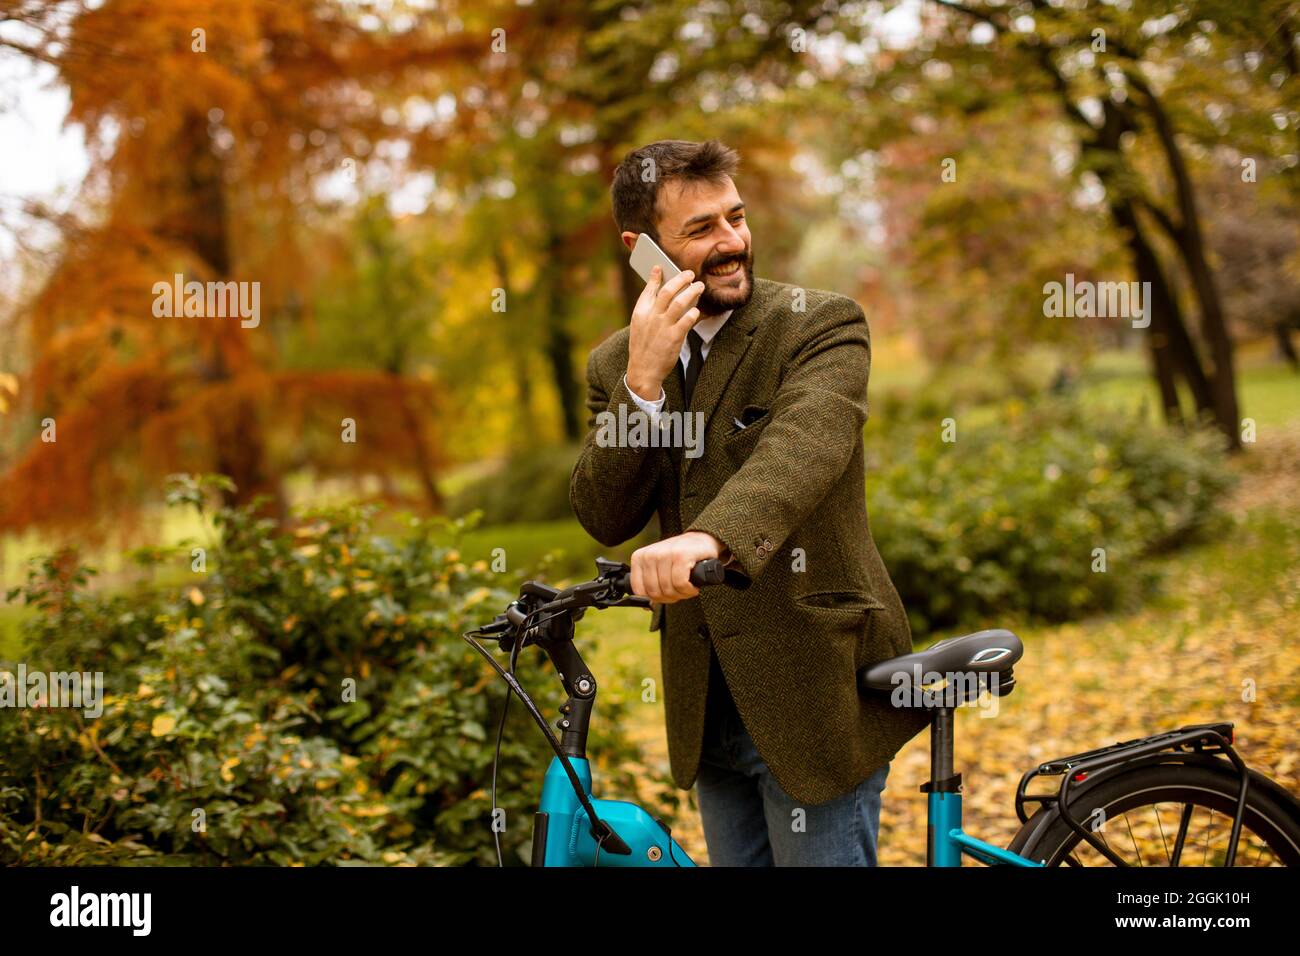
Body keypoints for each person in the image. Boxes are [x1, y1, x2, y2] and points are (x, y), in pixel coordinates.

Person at [570, 139, 929, 866]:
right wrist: (642, 384)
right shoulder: (616, 363)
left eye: (735, 218)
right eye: (701, 230)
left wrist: (709, 539)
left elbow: (804, 449)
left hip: (815, 689)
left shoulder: (818, 325)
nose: (732, 243)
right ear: (642, 252)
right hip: (705, 706)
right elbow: (603, 512)